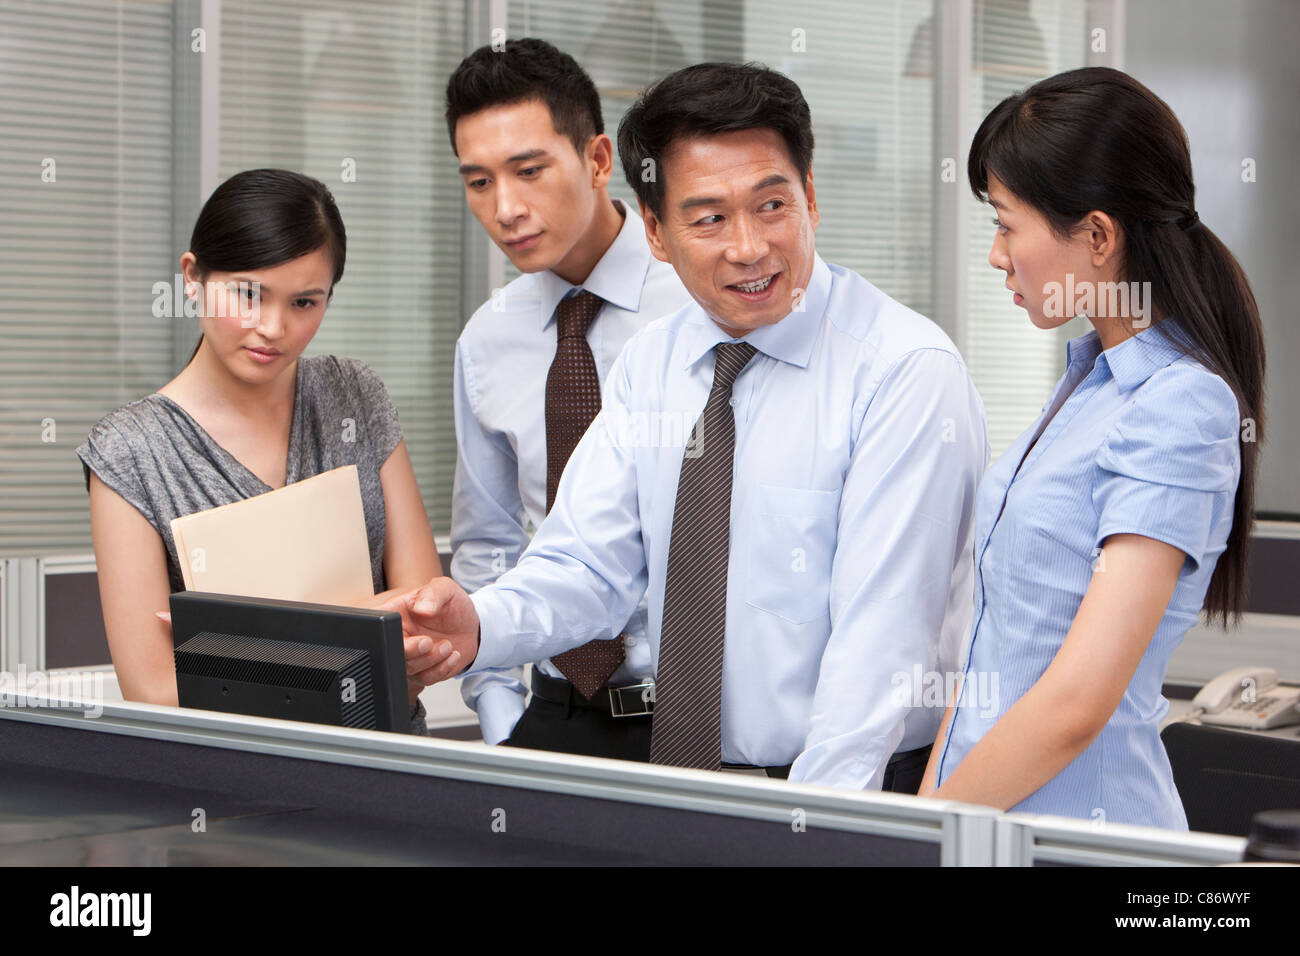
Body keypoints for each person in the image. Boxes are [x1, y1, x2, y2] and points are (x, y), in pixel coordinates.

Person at [395, 62, 988, 791]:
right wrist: (480, 627)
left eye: (772, 205)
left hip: (842, 788)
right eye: (708, 218)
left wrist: (812, 826)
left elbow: (882, 642)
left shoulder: (904, 370)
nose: (748, 247)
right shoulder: (655, 362)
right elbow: (588, 564)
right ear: (656, 232)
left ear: (810, 197)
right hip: (686, 783)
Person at [917, 67, 1266, 829]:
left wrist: (927, 830)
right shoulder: (1084, 385)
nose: (996, 255)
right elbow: (991, 649)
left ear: (1099, 236)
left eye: (1007, 225)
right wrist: (929, 817)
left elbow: (1077, 702)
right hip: (985, 826)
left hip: (1082, 834)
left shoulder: (1180, 405)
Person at [76, 168, 441, 733]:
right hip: (233, 787)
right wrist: (365, 625)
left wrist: (234, 649)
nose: (272, 327)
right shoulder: (130, 450)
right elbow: (154, 689)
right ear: (193, 278)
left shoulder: (354, 396)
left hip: (387, 756)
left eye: (304, 302)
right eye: (248, 294)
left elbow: (424, 617)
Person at [444, 39, 691, 755]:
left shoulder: (701, 303)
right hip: (557, 714)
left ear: (598, 160)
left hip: (698, 715)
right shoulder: (488, 340)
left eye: (528, 171)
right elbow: (487, 546)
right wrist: (501, 715)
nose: (506, 208)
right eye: (479, 182)